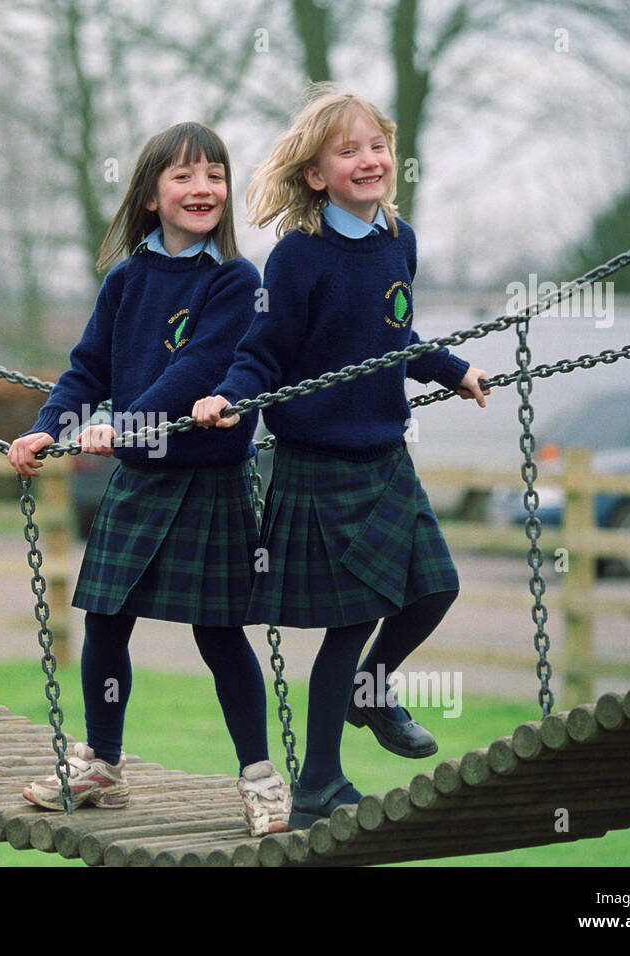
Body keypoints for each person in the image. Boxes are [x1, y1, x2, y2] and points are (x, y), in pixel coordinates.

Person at [192, 83, 490, 830]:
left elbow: (392, 337)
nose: (369, 159)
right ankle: (319, 782)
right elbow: (262, 351)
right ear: (317, 173)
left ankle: (373, 692)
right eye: (349, 150)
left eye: (378, 145)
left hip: (385, 458)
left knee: (434, 589)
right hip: (317, 465)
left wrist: (451, 370)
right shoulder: (298, 258)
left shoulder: (400, 240)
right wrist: (231, 394)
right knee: (351, 620)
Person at [8, 122, 291, 837]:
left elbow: (195, 369)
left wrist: (121, 425)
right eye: (184, 176)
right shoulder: (127, 280)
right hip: (140, 483)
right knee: (103, 620)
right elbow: (86, 368)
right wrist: (51, 424)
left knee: (219, 632)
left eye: (215, 176)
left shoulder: (235, 280)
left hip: (207, 479)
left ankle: (259, 778)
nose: (203, 189)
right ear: (150, 194)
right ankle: (102, 764)